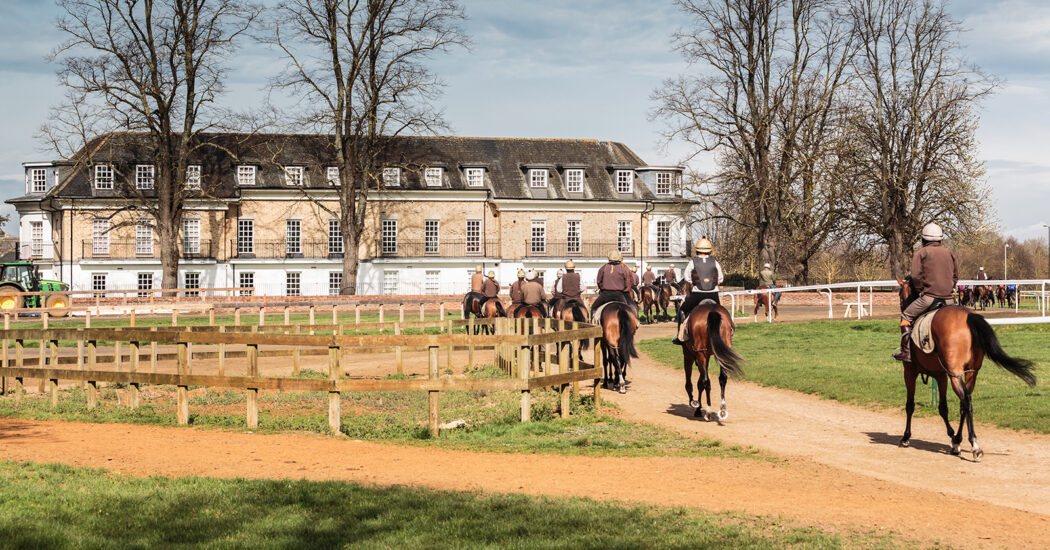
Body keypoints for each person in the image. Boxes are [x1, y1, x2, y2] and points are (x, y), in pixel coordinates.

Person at [893, 223, 958, 362]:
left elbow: (915, 276)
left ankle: (906, 352)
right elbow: (956, 276)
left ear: (923, 240)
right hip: (949, 300)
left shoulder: (921, 253)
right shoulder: (949, 252)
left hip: (929, 298)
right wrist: (949, 288)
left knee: (905, 317)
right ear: (940, 239)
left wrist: (921, 290)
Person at [672, 238, 724, 345]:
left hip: (697, 294)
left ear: (697, 251)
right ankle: (729, 329)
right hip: (713, 294)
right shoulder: (715, 262)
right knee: (722, 313)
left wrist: (694, 283)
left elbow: (686, 277)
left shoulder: (692, 262)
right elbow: (721, 279)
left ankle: (680, 336)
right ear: (709, 251)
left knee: (682, 310)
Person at [592, 249, 635, 315]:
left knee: (593, 308)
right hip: (619, 295)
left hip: (605, 294)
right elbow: (626, 282)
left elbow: (599, 281)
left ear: (609, 257)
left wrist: (602, 288)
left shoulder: (603, 267)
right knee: (628, 311)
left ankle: (593, 323)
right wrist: (622, 289)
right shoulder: (623, 269)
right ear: (618, 258)